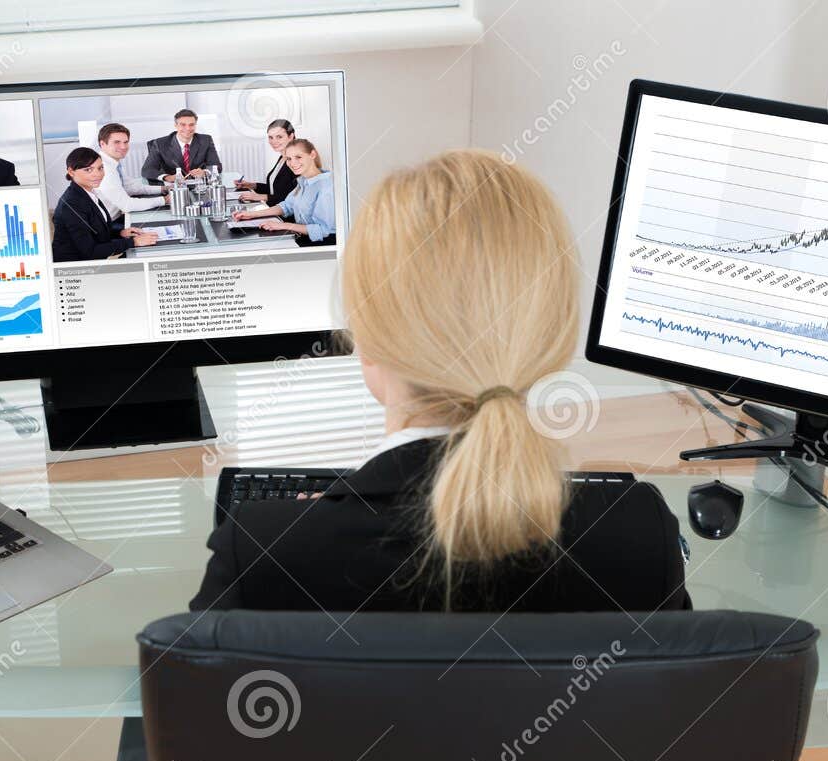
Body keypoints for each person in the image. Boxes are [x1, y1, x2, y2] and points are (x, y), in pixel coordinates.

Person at [191, 148, 690, 613]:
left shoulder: (264, 550)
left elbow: (175, 701)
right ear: (549, 330)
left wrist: (320, 523)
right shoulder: (641, 535)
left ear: (364, 336)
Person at [51, 148, 155, 263]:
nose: (98, 174)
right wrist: (133, 242)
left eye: (100, 168)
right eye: (88, 170)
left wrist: (120, 233)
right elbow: (91, 252)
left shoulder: (90, 192)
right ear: (71, 172)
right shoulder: (71, 205)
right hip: (76, 268)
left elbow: (96, 231)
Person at [229, 139, 335, 246]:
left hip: (321, 244)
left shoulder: (326, 186)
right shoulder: (303, 181)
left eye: (298, 157)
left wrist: (282, 225)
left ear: (312, 154)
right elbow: (286, 206)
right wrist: (251, 215)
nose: (292, 163)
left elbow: (322, 230)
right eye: (289, 159)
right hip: (302, 237)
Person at [94, 122, 166, 219]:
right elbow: (127, 205)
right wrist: (164, 200)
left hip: (117, 216)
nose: (123, 147)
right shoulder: (104, 168)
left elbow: (130, 188)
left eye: (125, 142)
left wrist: (163, 189)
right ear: (102, 144)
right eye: (117, 142)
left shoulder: (113, 163)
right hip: (109, 225)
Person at [141, 109, 221, 181]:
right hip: (173, 189)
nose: (188, 128)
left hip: (200, 187)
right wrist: (167, 177)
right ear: (176, 125)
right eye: (183, 125)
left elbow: (217, 166)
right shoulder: (160, 144)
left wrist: (204, 172)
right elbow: (147, 170)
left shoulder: (206, 140)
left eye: (191, 125)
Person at [234, 119, 299, 207]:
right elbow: (273, 189)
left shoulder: (296, 161)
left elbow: (290, 198)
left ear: (291, 136)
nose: (273, 141)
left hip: (286, 215)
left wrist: (260, 197)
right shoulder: (282, 158)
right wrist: (250, 185)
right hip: (274, 208)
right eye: (270, 137)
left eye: (279, 137)